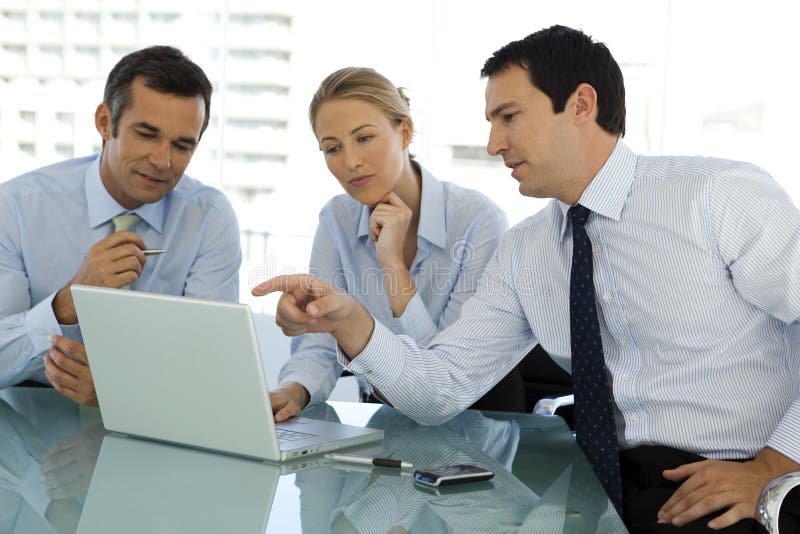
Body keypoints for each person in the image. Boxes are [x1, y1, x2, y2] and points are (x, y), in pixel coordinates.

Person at [254, 26, 800, 534]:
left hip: (737, 478)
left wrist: (776, 464)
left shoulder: (718, 196)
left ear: (581, 105)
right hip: (591, 486)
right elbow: (439, 390)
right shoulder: (526, 250)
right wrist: (350, 318)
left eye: (508, 117)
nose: (493, 144)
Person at [268, 67, 519, 422]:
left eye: (365, 138)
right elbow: (319, 342)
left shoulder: (477, 221)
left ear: (404, 132)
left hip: (474, 423)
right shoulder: (336, 219)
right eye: (332, 148)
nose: (351, 161)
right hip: (385, 421)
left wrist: (393, 266)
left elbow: (441, 375)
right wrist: (293, 390)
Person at [0, 46, 242, 406]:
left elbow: (211, 367)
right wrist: (68, 302)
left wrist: (122, 392)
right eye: (146, 134)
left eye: (181, 145)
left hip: (157, 419)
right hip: (29, 415)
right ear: (104, 122)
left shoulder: (209, 218)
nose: (162, 161)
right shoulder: (17, 206)